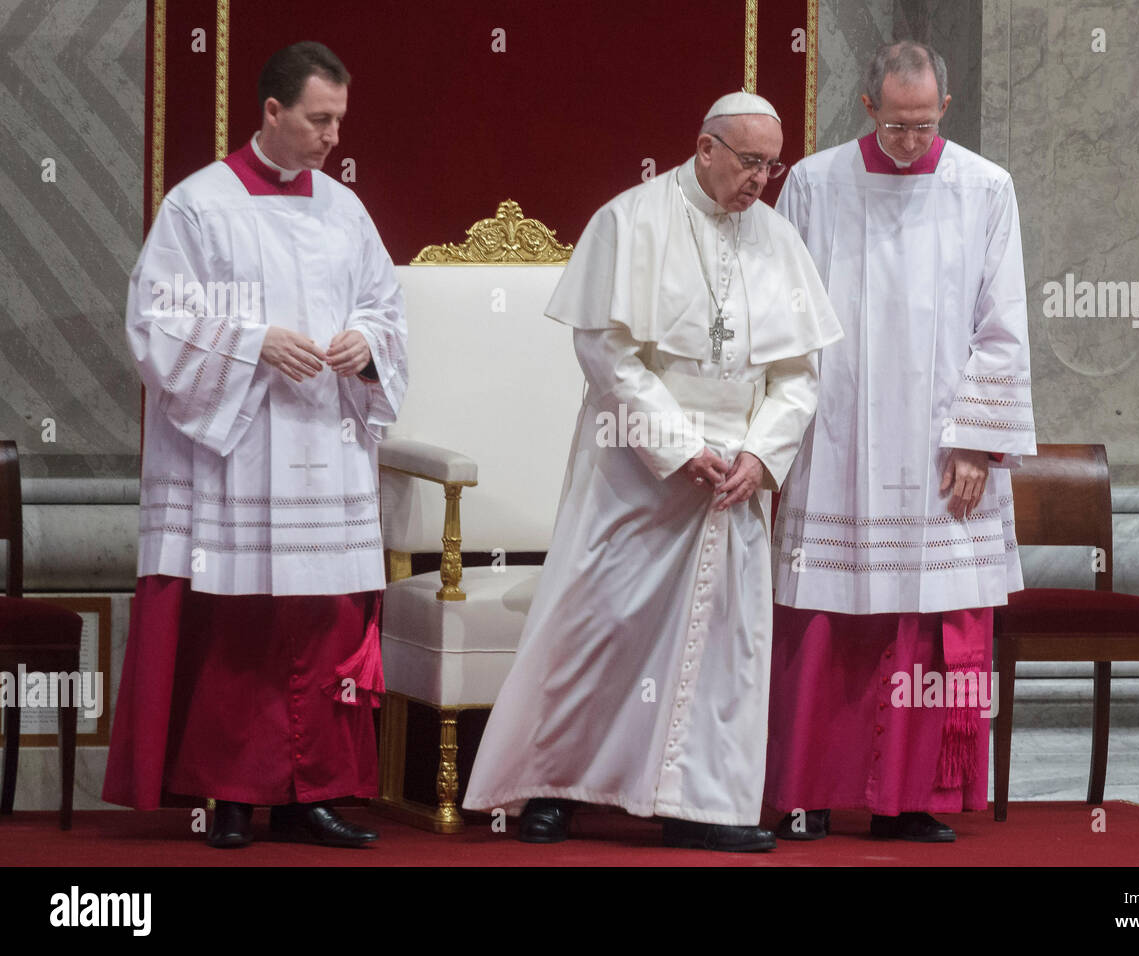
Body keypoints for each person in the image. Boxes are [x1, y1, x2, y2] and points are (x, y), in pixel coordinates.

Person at [461, 92, 841, 852]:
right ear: (706, 148)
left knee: (722, 648)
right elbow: (605, 351)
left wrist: (762, 455)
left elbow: (800, 373)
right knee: (598, 628)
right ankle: (552, 792)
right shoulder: (629, 221)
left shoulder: (778, 240)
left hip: (732, 479)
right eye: (749, 161)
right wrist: (676, 445)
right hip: (635, 471)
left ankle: (700, 806)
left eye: (773, 164)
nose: (763, 178)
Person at [102, 41, 407, 849]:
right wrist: (253, 343)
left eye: (338, 120)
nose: (331, 136)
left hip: (326, 444)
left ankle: (315, 796)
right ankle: (229, 794)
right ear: (271, 113)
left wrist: (364, 344)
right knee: (241, 626)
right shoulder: (199, 206)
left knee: (324, 622)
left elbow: (386, 306)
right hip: (237, 451)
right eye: (317, 119)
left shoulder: (344, 209)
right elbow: (155, 323)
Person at [765, 41, 1036, 843]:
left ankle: (909, 800)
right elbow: (781, 312)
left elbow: (1002, 327)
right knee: (825, 617)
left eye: (924, 124)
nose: (910, 139)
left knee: (925, 617)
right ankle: (804, 791)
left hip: (937, 446)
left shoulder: (986, 188)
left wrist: (978, 444)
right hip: (836, 435)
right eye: (896, 122)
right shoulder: (813, 185)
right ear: (867, 105)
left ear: (943, 111)